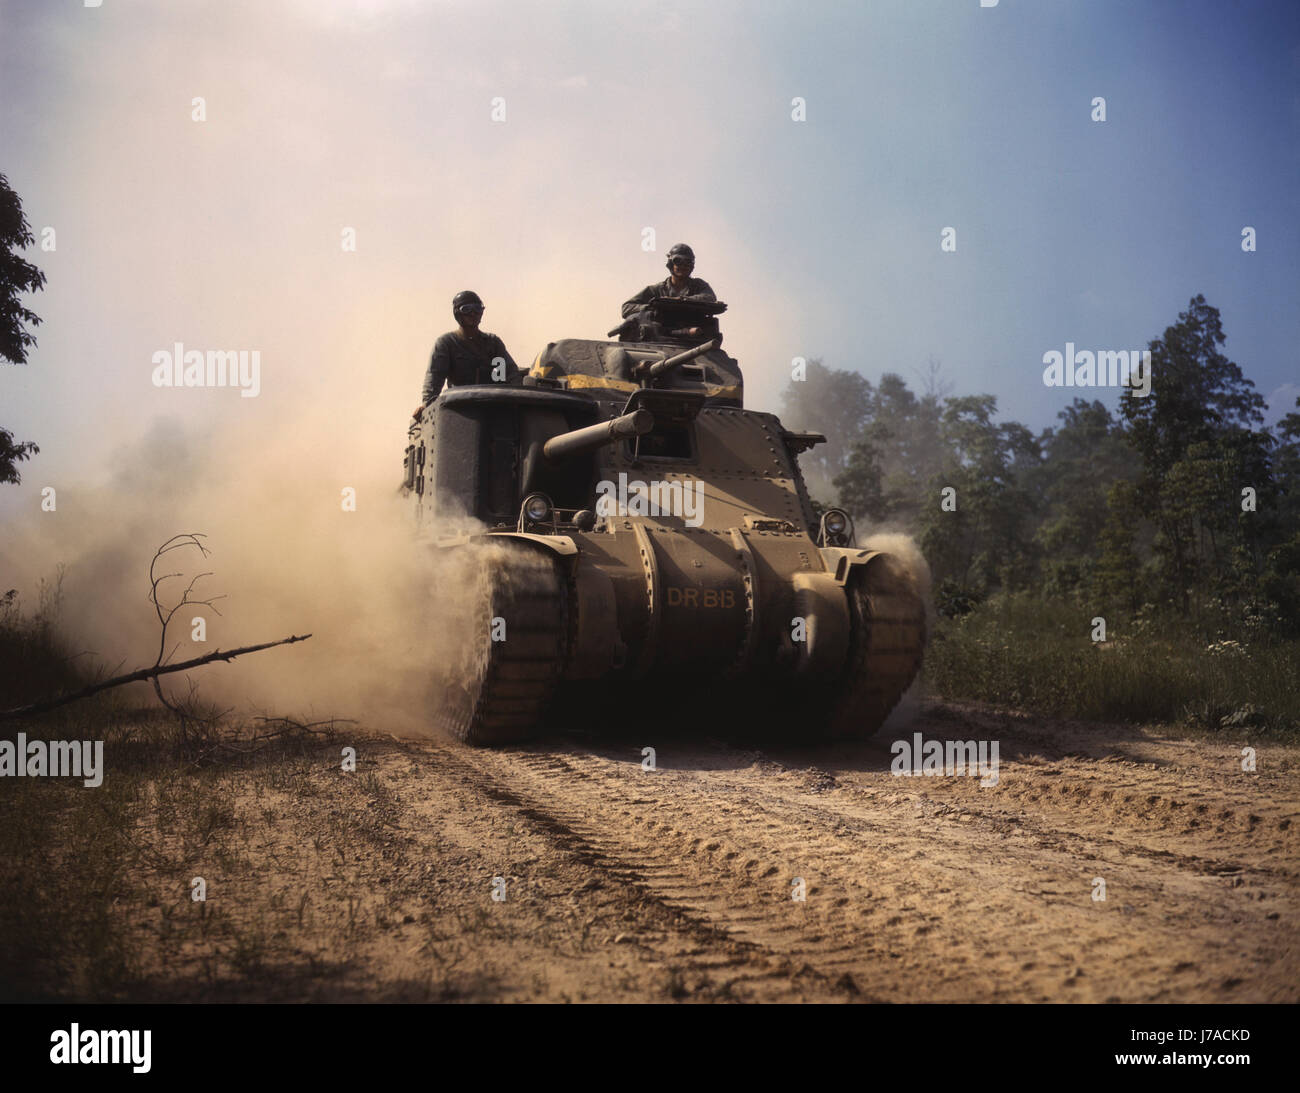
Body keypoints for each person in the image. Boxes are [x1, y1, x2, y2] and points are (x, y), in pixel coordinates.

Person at [413, 290, 520, 418]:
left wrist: (515, 397)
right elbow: (434, 377)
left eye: (477, 309)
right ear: (457, 313)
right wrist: (427, 405)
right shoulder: (447, 343)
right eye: (467, 309)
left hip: (493, 407)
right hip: (460, 410)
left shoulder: (493, 343)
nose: (473, 314)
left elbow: (508, 374)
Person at [620, 244, 718, 338]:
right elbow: (626, 307)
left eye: (687, 262)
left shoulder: (699, 286)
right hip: (659, 338)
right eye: (678, 261)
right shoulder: (657, 290)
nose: (683, 266)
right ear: (670, 264)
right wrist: (652, 307)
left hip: (695, 338)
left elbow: (710, 298)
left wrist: (680, 300)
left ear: (692, 265)